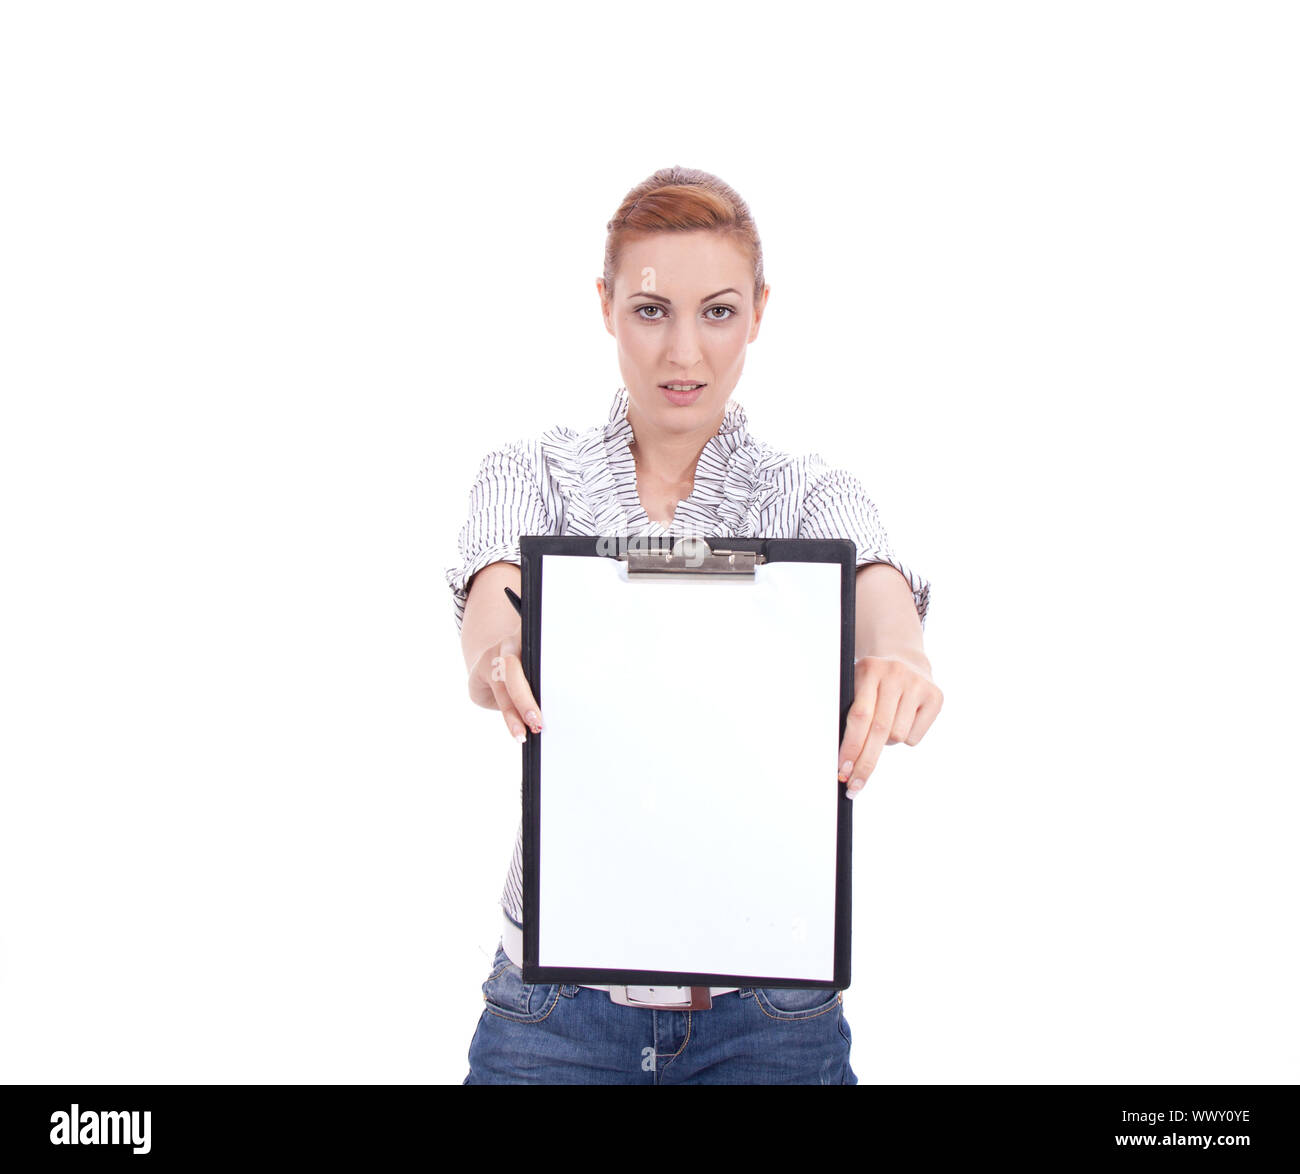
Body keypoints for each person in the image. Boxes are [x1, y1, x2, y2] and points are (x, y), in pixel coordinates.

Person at [446, 166, 943, 1084]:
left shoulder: (807, 492)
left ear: (758, 312)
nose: (684, 352)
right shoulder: (533, 473)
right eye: (650, 310)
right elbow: (492, 594)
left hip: (768, 1016)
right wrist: (497, 651)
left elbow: (877, 585)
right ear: (605, 306)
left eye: (717, 312)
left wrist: (899, 655)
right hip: (556, 1012)